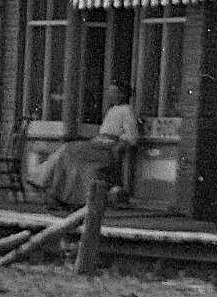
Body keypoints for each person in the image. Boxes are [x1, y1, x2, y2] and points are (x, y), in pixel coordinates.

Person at [28, 81, 139, 209]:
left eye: (114, 92)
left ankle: (42, 179)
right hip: (97, 144)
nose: (110, 94)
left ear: (122, 94)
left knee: (68, 149)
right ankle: (56, 191)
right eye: (110, 91)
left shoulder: (127, 110)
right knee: (68, 155)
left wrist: (119, 144)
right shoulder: (112, 109)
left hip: (106, 148)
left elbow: (132, 136)